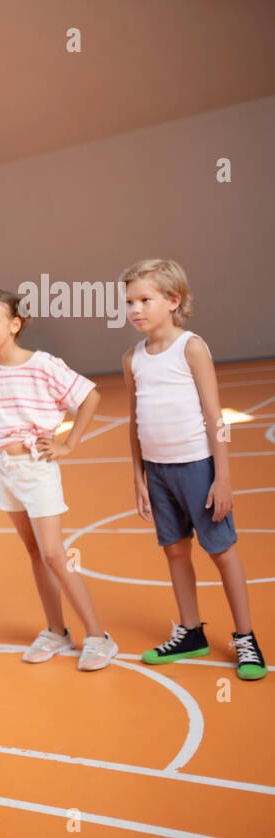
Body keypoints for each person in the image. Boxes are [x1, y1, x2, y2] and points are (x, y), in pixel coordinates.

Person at [121, 259, 265, 679]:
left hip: (197, 467)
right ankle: (191, 632)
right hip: (158, 471)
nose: (135, 309)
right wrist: (138, 478)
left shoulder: (192, 348)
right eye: (130, 301)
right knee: (175, 550)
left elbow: (215, 415)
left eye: (145, 299)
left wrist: (223, 476)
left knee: (221, 551)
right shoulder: (132, 358)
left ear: (173, 300)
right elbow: (134, 421)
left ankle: (245, 638)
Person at [0, 289, 117, 670]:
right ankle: (56, 630)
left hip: (36, 469)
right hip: (4, 470)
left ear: (15, 325)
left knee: (53, 553)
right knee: (35, 553)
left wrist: (68, 443)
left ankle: (98, 636)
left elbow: (90, 397)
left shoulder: (43, 365)